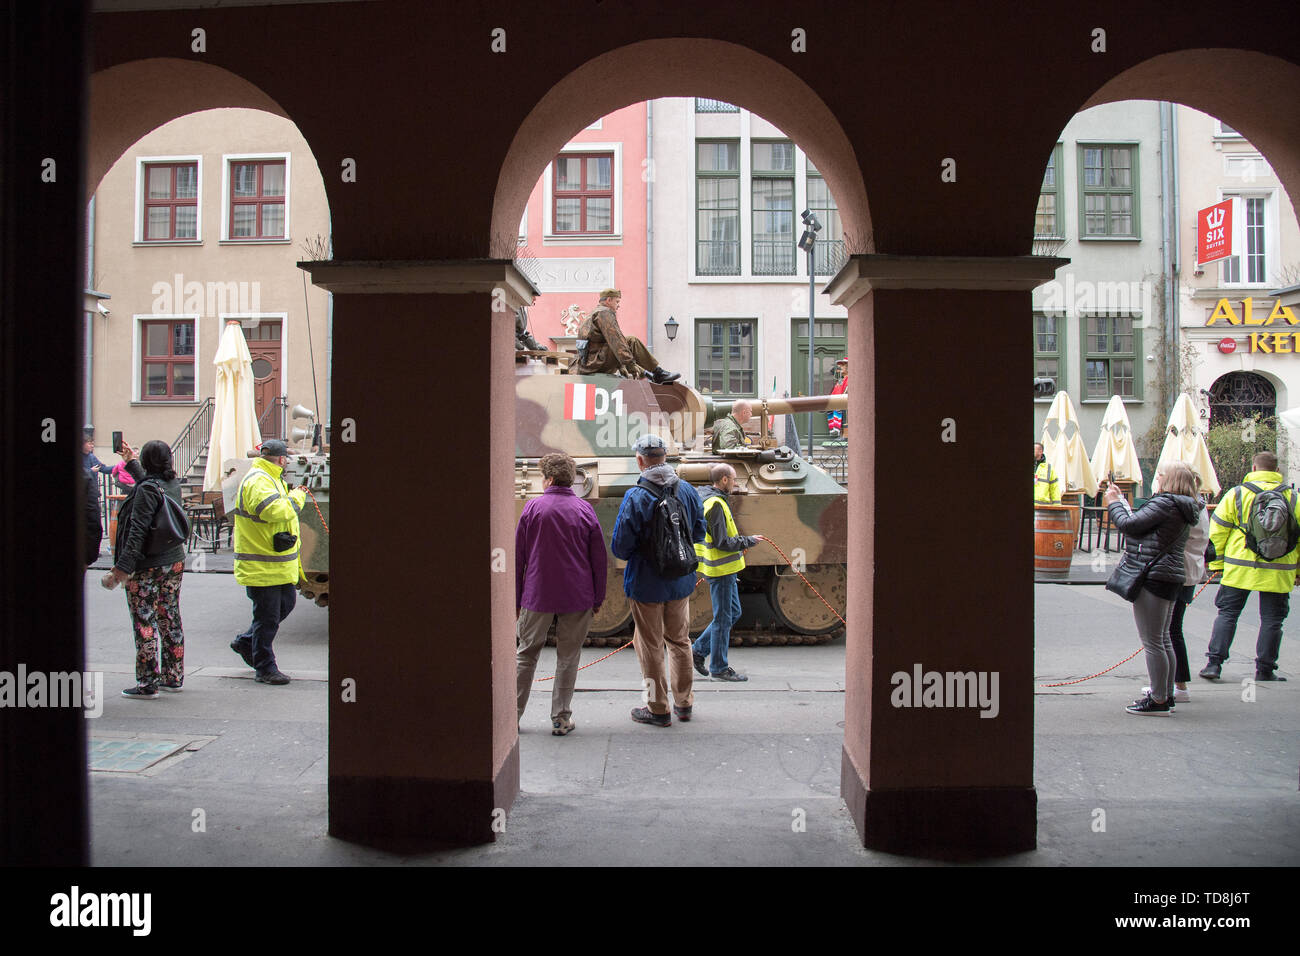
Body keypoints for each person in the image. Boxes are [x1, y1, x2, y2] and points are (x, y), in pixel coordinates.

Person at [611, 433, 705, 726]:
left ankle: (657, 708)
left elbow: (620, 547)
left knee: (649, 645)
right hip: (680, 581)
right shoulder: (687, 489)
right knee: (680, 641)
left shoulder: (636, 496)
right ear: (665, 457)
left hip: (645, 583)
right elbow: (699, 532)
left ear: (640, 460)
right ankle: (684, 703)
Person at [515, 452, 607, 736]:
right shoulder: (585, 510)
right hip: (576, 595)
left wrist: (516, 599)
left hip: (537, 594)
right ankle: (560, 718)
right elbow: (599, 560)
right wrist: (598, 598)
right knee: (568, 657)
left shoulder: (532, 508)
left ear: (550, 479)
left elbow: (519, 557)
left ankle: (512, 718)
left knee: (525, 655)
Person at [1104, 461, 1200, 715]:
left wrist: (1113, 502)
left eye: (1161, 475)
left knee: (1153, 641)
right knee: (1164, 638)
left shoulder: (1165, 503)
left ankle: (1158, 699)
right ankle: (1165, 694)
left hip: (1154, 577)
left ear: (1170, 479)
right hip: (1171, 576)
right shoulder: (1184, 506)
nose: (1157, 478)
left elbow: (1130, 526)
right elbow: (1141, 523)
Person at [1199, 450, 1300, 683]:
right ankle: (1265, 670)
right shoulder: (1293, 498)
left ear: (1253, 469)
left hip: (1239, 568)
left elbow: (1217, 531)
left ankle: (1214, 664)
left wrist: (1217, 564)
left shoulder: (1237, 494)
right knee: (1273, 621)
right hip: (1280, 570)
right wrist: (1297, 571)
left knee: (1228, 614)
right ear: (1277, 471)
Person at [101, 439, 187, 699]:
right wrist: (131, 461)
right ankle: (173, 676)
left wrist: (120, 570)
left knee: (144, 622)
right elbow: (150, 486)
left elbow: (136, 532)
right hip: (173, 561)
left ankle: (148, 682)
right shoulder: (171, 484)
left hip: (147, 566)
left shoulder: (146, 490)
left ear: (148, 462)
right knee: (169, 615)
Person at [229, 439, 307, 685]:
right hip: (262, 564)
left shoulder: (269, 477)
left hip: (275, 562)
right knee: (267, 617)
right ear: (282, 459)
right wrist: (298, 497)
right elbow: (275, 511)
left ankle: (245, 642)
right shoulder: (259, 480)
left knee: (285, 604)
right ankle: (264, 667)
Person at [692, 463, 758, 682]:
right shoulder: (716, 504)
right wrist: (747, 541)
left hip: (723, 567)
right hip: (720, 568)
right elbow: (722, 542)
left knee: (733, 612)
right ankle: (719, 667)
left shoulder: (708, 498)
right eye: (734, 479)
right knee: (723, 618)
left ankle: (698, 650)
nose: (736, 482)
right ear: (723, 480)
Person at [1164, 470, 1214, 703]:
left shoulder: (1183, 509)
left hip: (1178, 573)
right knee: (1171, 629)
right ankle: (1170, 683)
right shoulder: (1198, 506)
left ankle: (1178, 686)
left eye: (1164, 476)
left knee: (1170, 630)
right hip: (1189, 572)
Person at [569, 288, 681, 384]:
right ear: (608, 300)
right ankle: (658, 373)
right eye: (617, 302)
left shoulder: (594, 313)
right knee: (632, 341)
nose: (618, 306)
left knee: (627, 344)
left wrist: (621, 365)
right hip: (594, 363)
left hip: (590, 362)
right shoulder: (604, 313)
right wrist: (629, 364)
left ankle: (648, 373)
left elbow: (606, 344)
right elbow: (616, 341)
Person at [827, 358, 848, 436]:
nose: (841, 367)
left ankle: (837, 428)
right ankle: (833, 428)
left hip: (841, 401)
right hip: (835, 399)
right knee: (829, 409)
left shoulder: (849, 378)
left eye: (843, 365)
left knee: (837, 407)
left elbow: (845, 390)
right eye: (841, 365)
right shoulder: (841, 378)